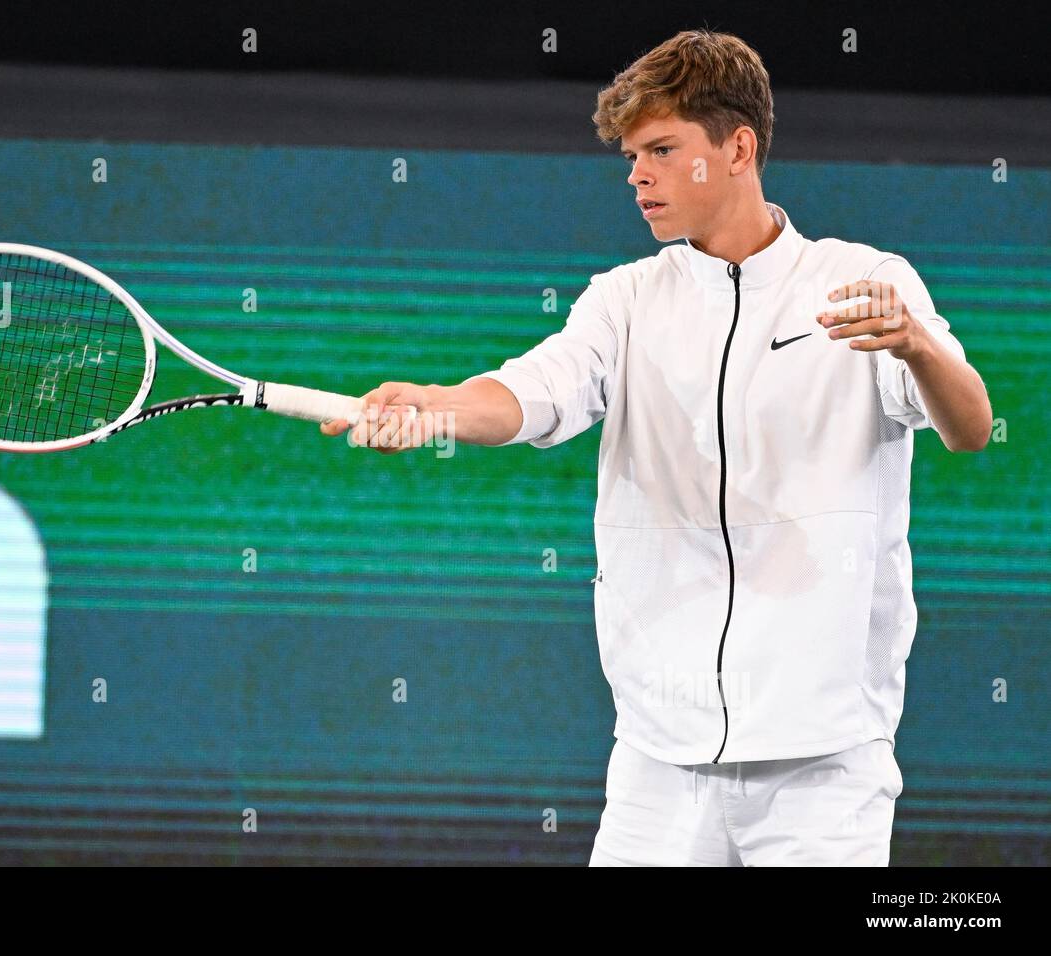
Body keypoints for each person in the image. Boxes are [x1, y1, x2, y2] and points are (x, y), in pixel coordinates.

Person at [319, 29, 992, 866]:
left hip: (825, 771)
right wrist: (436, 407)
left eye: (662, 150)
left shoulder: (859, 280)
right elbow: (534, 390)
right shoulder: (624, 300)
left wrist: (918, 347)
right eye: (632, 156)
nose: (637, 175)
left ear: (738, 147)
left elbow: (969, 429)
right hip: (656, 766)